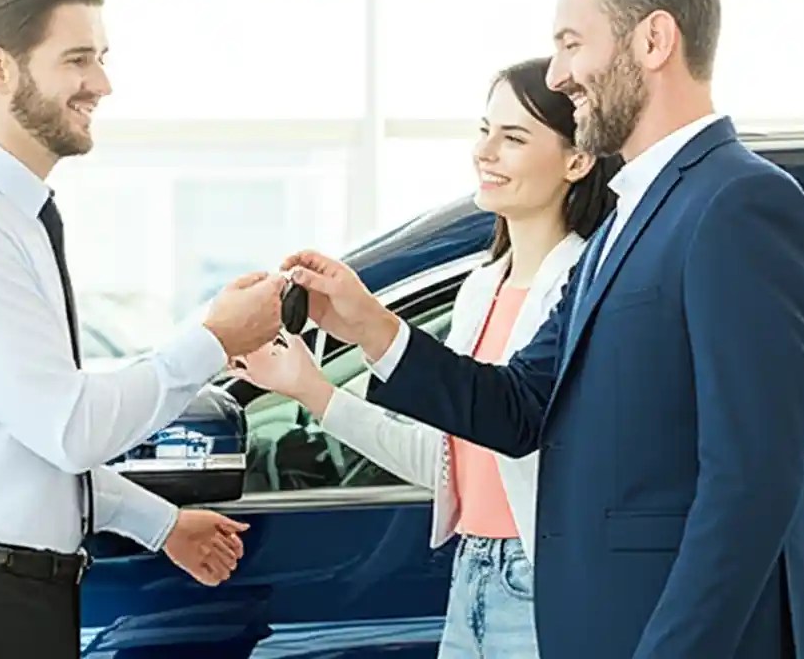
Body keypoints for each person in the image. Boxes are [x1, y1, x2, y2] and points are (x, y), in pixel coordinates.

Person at [273, 0, 804, 657]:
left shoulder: (739, 203)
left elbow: (751, 484)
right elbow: (518, 407)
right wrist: (373, 328)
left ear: (654, 40)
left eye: (572, 43)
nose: (560, 74)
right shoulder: (626, 219)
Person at [0, 0, 285, 659]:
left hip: (5, 600)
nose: (102, 83)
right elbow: (69, 428)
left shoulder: (10, 216)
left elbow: (28, 442)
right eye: (77, 59)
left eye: (101, 57)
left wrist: (160, 523)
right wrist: (214, 340)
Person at [231, 57, 618, 657]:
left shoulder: (588, 289)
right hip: (472, 571)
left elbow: (527, 435)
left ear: (578, 159)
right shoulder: (480, 289)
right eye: (484, 130)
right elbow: (442, 462)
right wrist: (312, 390)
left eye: (513, 138)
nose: (484, 152)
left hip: (544, 584)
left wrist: (373, 326)